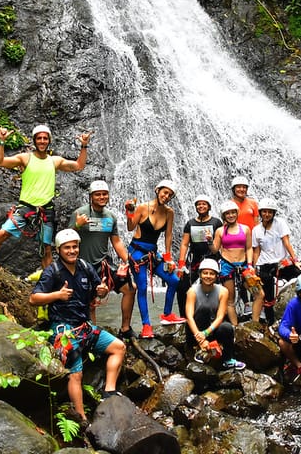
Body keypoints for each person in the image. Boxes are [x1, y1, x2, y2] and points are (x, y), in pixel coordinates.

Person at [0, 124, 92, 283]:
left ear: (49, 141)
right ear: (34, 140)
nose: (42, 141)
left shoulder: (55, 161)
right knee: (2, 234)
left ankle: (49, 283)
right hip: (26, 206)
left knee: (46, 249)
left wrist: (84, 145)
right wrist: (1, 141)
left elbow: (79, 166)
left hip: (45, 209)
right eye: (39, 138)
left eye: (45, 138)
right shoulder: (25, 158)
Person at [29, 229, 126, 424]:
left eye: (75, 246)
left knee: (119, 347)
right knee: (76, 373)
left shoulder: (84, 266)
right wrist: (57, 295)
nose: (72, 250)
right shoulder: (53, 271)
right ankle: (81, 418)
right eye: (67, 248)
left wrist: (102, 290)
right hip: (63, 330)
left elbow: (100, 291)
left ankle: (109, 391)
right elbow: (33, 298)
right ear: (59, 250)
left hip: (84, 326)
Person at [69, 180, 137, 338]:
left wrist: (129, 261)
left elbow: (116, 241)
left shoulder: (110, 217)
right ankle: (91, 334)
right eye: (97, 194)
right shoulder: (80, 213)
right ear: (91, 196)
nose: (101, 197)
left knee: (130, 288)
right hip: (82, 265)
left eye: (104, 194)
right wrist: (77, 225)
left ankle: (125, 329)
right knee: (90, 302)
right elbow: (66, 238)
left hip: (103, 264)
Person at [125, 180, 185, 339]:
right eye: (165, 192)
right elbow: (130, 227)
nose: (166, 196)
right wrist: (129, 212)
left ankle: (167, 314)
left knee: (173, 280)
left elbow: (169, 235)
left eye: (170, 195)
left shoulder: (169, 212)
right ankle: (146, 325)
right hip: (137, 252)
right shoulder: (143, 207)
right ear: (157, 190)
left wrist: (169, 258)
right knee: (142, 287)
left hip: (153, 253)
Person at [184, 258, 245, 370]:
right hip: (195, 329)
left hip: (211, 328)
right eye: (205, 273)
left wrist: (206, 333)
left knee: (227, 327)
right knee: (203, 310)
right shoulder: (192, 291)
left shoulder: (223, 291)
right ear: (200, 274)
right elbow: (189, 317)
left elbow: (221, 316)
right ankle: (197, 349)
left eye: (212, 273)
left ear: (216, 276)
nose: (208, 276)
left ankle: (228, 359)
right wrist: (200, 338)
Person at [253, 198, 301, 326]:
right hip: (265, 264)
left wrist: (295, 260)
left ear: (274, 213)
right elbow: (256, 251)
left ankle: (300, 308)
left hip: (281, 262)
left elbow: (286, 242)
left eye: (270, 212)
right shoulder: (256, 230)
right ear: (260, 213)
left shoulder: (280, 223)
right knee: (268, 292)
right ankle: (271, 321)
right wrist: (253, 268)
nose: (267, 214)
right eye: (264, 212)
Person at [175, 194, 223, 315]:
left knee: (214, 287)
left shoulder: (216, 222)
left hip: (212, 259)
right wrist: (181, 264)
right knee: (182, 285)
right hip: (194, 260)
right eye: (199, 204)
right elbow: (185, 244)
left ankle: (215, 314)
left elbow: (220, 242)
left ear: (209, 206)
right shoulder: (190, 223)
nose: (201, 206)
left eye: (204, 204)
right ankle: (184, 315)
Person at [212, 200, 254, 326]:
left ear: (237, 213)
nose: (230, 215)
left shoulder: (245, 229)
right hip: (227, 265)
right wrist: (209, 241)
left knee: (258, 293)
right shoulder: (220, 231)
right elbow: (215, 249)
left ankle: (255, 322)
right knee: (229, 299)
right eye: (227, 214)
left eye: (233, 213)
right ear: (224, 216)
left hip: (244, 265)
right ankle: (235, 327)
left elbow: (249, 248)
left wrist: (250, 265)